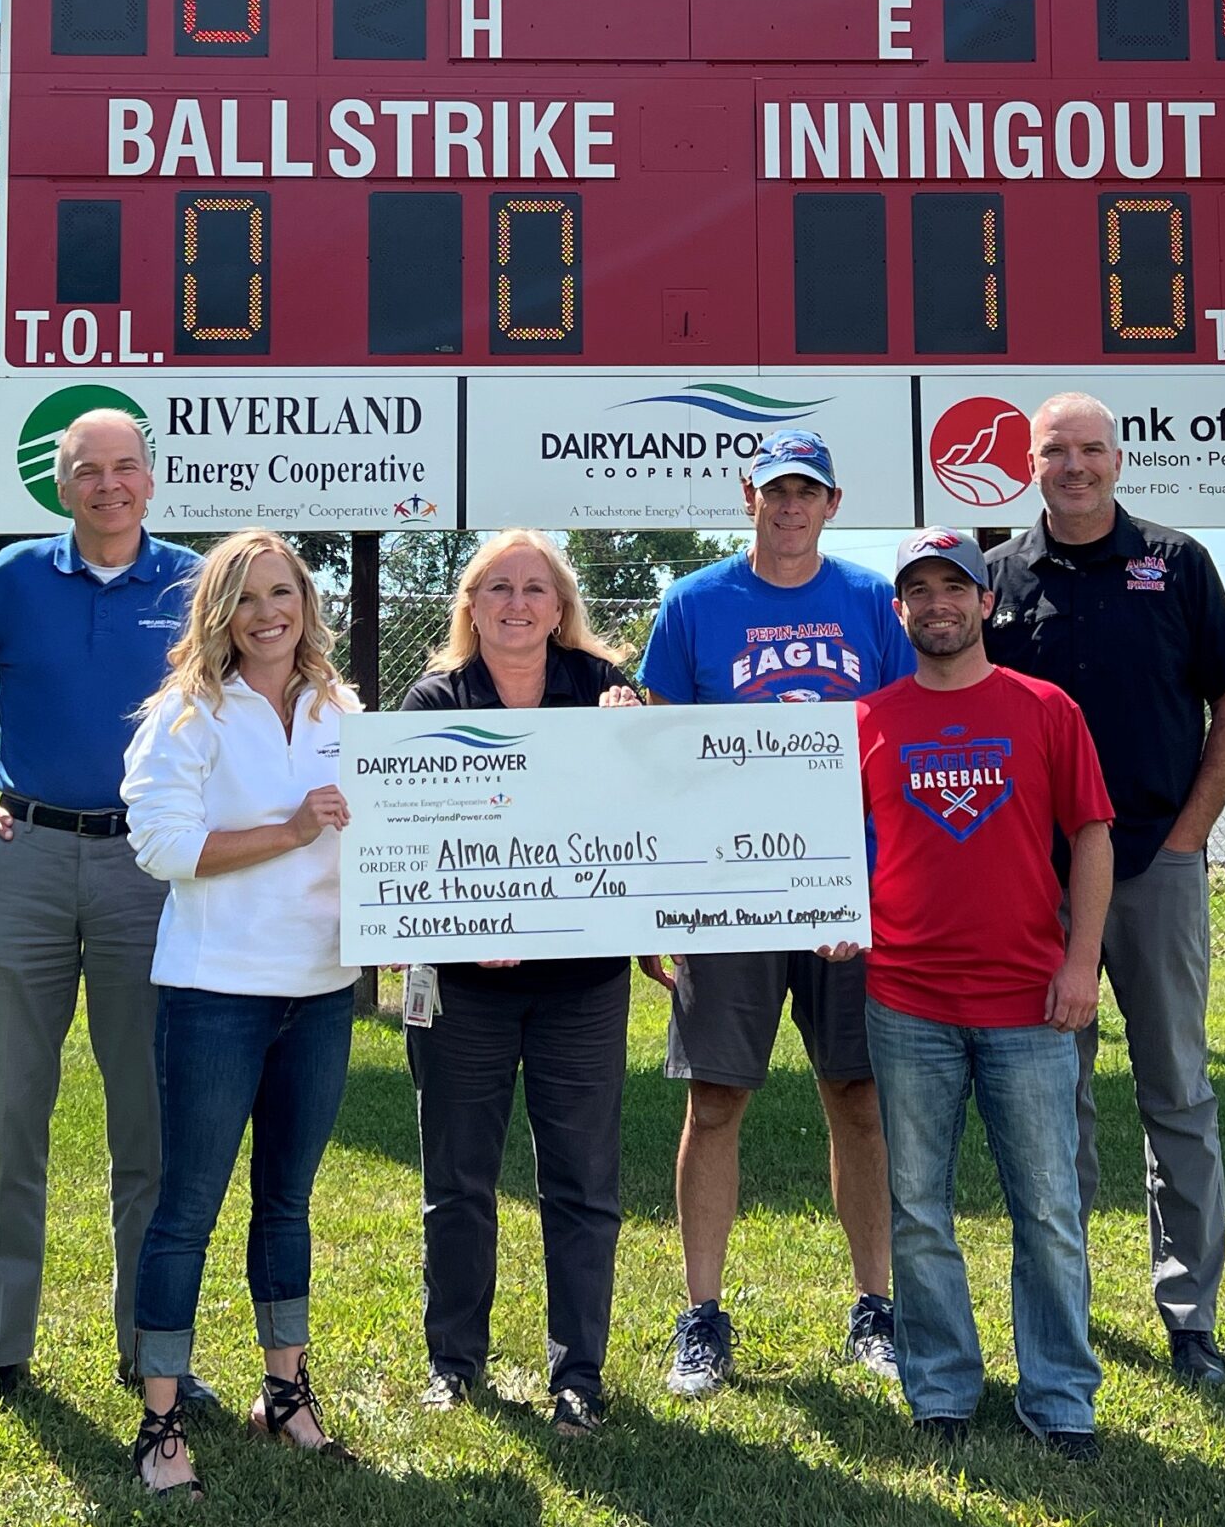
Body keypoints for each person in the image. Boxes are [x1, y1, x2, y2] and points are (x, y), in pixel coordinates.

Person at [0, 408, 198, 1419]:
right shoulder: (14, 577)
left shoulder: (197, 583)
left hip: (146, 869)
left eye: (125, 467)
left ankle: (151, 1352)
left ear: (150, 479)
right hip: (24, 859)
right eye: (88, 470)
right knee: (13, 1112)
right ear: (61, 486)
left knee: (148, 1123)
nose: (109, 485)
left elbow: (261, 693)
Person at [981, 392, 1225, 1389]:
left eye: (1092, 448)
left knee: (1175, 1089)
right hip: (1036, 881)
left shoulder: (1178, 563)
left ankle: (1190, 1316)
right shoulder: (996, 578)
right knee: (1052, 1101)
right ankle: (1067, 1304)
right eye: (1056, 450)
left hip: (1153, 865)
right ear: (1028, 462)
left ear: (1119, 458)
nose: (1076, 466)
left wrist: (1188, 837)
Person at [636, 430, 918, 1395]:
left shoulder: (874, 602)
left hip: (847, 892)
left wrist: (879, 889)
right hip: (730, 892)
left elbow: (903, 746)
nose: (790, 506)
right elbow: (660, 762)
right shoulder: (693, 603)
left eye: (807, 492)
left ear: (833, 504)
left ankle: (875, 1305)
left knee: (860, 1098)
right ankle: (702, 1315)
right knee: (715, 1099)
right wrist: (663, 901)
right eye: (774, 490)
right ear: (746, 495)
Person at [822, 530, 1115, 1458]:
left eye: (956, 587)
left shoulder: (1045, 709)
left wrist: (1081, 962)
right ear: (899, 610)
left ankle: (1059, 1396)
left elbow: (1093, 834)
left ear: (988, 602)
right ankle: (942, 1385)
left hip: (1029, 1001)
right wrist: (836, 912)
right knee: (918, 1207)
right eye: (919, 590)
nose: (938, 604)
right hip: (906, 999)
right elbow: (830, 847)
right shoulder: (867, 721)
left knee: (1050, 1212)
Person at [118, 528, 362, 1496]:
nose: (268, 614)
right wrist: (289, 831)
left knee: (287, 1201)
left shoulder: (341, 708)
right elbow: (162, 846)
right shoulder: (185, 714)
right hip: (215, 989)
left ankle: (285, 1393)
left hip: (322, 989)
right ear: (218, 613)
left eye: (283, 593)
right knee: (186, 1209)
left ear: (306, 603)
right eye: (247, 597)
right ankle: (160, 1419)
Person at [397, 531, 642, 1436]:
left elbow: (650, 812)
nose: (517, 603)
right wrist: (470, 925)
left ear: (561, 605)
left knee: (582, 1182)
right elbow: (410, 837)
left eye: (536, 587)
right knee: (457, 1180)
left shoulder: (604, 691)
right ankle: (453, 1363)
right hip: (465, 986)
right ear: (470, 604)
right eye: (497, 586)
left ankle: (579, 1374)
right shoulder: (435, 700)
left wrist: (636, 734)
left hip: (582, 982)